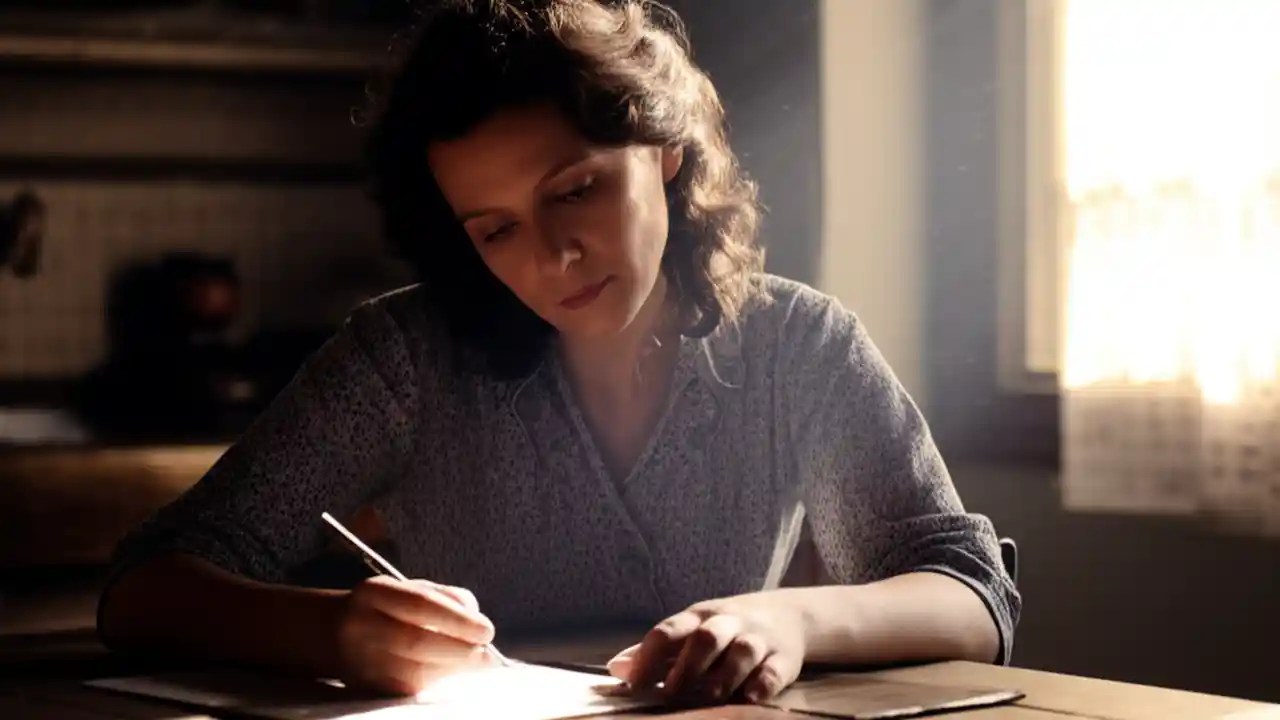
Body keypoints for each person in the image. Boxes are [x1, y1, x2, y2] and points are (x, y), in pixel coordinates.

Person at [97, 0, 1020, 707]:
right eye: (495, 230)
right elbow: (144, 588)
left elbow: (973, 600)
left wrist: (790, 618)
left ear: (661, 148)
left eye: (575, 190)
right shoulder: (406, 357)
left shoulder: (798, 346)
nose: (550, 257)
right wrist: (327, 632)